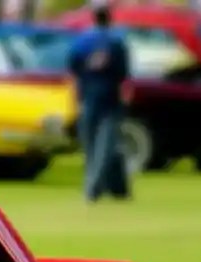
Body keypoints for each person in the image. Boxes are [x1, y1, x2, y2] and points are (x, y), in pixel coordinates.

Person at [68, 2, 131, 202]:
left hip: (88, 96)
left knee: (91, 144)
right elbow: (123, 73)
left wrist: (76, 95)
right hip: (110, 97)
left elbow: (74, 70)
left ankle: (115, 187)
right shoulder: (116, 41)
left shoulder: (82, 41)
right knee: (106, 144)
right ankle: (95, 188)